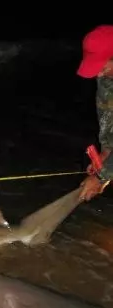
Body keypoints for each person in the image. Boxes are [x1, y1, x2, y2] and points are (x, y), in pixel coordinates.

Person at [77, 25, 113, 201]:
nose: (98, 75)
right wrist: (105, 153)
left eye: (103, 68)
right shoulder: (106, 78)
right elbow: (108, 114)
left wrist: (101, 177)